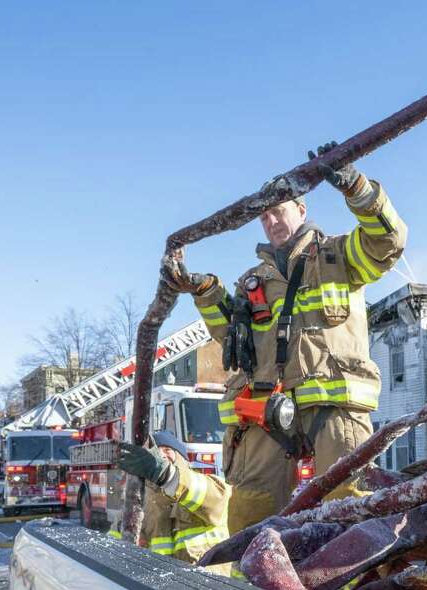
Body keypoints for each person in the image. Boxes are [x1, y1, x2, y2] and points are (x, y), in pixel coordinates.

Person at [161, 141, 407, 536]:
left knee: (351, 505)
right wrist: (205, 291)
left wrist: (357, 189)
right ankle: (252, 589)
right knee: (251, 513)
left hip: (333, 405)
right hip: (266, 413)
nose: (272, 221)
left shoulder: (338, 257)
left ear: (302, 209)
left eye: (279, 210)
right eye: (264, 216)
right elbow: (231, 339)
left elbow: (388, 243)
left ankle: (355, 589)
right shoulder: (251, 283)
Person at [116, 431, 231, 574]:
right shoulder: (141, 498)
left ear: (182, 456)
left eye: (167, 450)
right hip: (160, 586)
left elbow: (215, 500)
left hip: (209, 587)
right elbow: (115, 537)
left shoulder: (206, 485)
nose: (162, 455)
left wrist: (166, 474)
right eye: (156, 452)